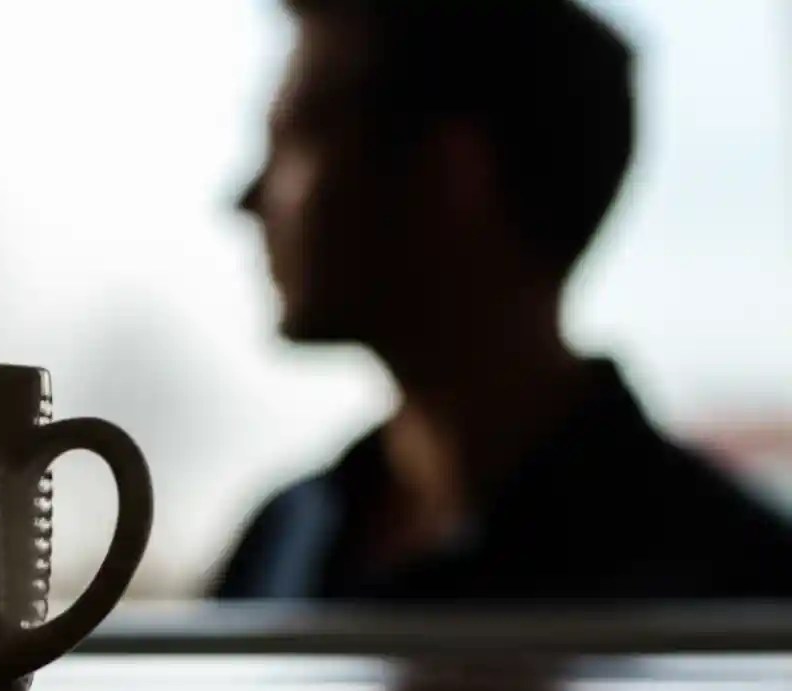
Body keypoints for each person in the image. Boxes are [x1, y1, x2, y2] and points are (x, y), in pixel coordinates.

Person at [215, 0, 792, 600]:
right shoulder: (279, 542)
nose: (247, 199)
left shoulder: (739, 590)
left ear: (452, 172)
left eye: (297, 140)